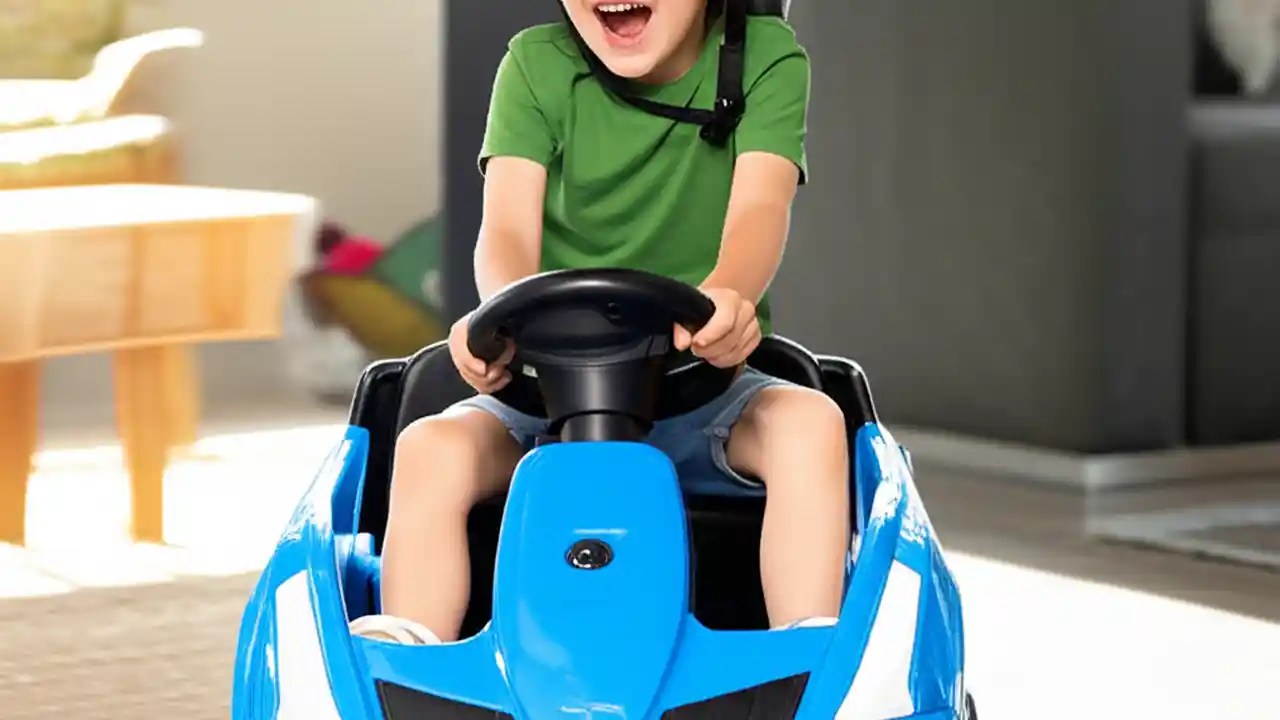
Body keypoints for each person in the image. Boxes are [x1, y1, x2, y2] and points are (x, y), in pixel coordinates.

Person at [350, 0, 850, 645]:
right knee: (429, 447)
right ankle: (412, 658)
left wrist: (731, 294)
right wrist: (500, 313)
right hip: (546, 402)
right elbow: (505, 229)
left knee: (810, 423)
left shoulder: (764, 57)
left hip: (704, 393)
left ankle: (808, 655)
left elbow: (762, 206)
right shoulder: (537, 64)